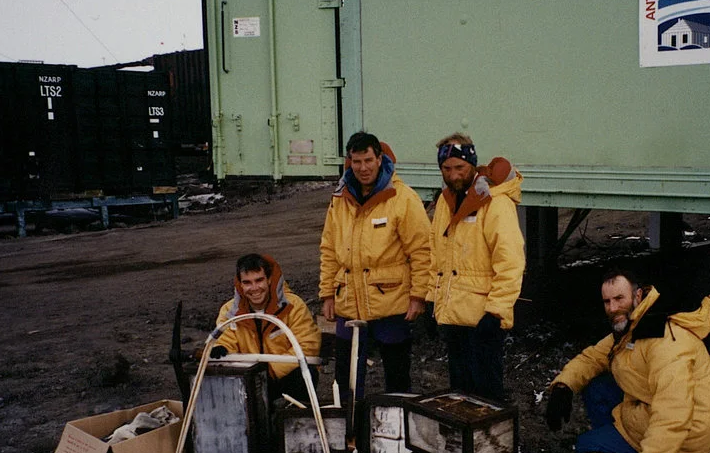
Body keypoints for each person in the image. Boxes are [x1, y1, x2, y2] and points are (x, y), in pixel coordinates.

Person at [545, 267, 710, 453]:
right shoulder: (637, 325)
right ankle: (622, 447)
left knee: (585, 447)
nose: (613, 308)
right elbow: (594, 357)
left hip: (688, 437)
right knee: (597, 388)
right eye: (607, 301)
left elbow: (674, 413)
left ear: (638, 296)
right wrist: (563, 387)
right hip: (654, 409)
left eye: (619, 298)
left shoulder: (665, 341)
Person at [319, 131, 432, 398]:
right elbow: (328, 249)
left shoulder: (402, 198)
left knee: (397, 381)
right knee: (346, 380)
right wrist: (326, 293)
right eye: (356, 162)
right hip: (348, 303)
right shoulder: (340, 198)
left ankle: (397, 433)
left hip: (391, 304)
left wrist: (418, 296)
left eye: (368, 160)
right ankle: (351, 432)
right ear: (349, 162)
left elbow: (422, 250)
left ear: (379, 159)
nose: (363, 168)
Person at [428, 133, 525, 401]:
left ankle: (495, 442)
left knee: (488, 396)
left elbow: (511, 262)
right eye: (447, 169)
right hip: (453, 315)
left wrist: (496, 312)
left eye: (460, 167)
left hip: (483, 318)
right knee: (459, 393)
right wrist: (431, 299)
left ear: (472, 165)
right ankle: (462, 443)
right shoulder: (445, 202)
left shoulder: (494, 203)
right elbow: (436, 256)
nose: (454, 174)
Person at [212, 253, 322, 405]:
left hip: (285, 377)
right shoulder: (230, 311)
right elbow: (224, 339)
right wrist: (219, 348)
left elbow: (308, 345)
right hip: (249, 381)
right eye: (247, 282)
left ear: (269, 279)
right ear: (240, 284)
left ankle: (293, 423)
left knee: (305, 373)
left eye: (259, 280)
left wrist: (270, 372)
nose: (254, 288)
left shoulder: (293, 306)